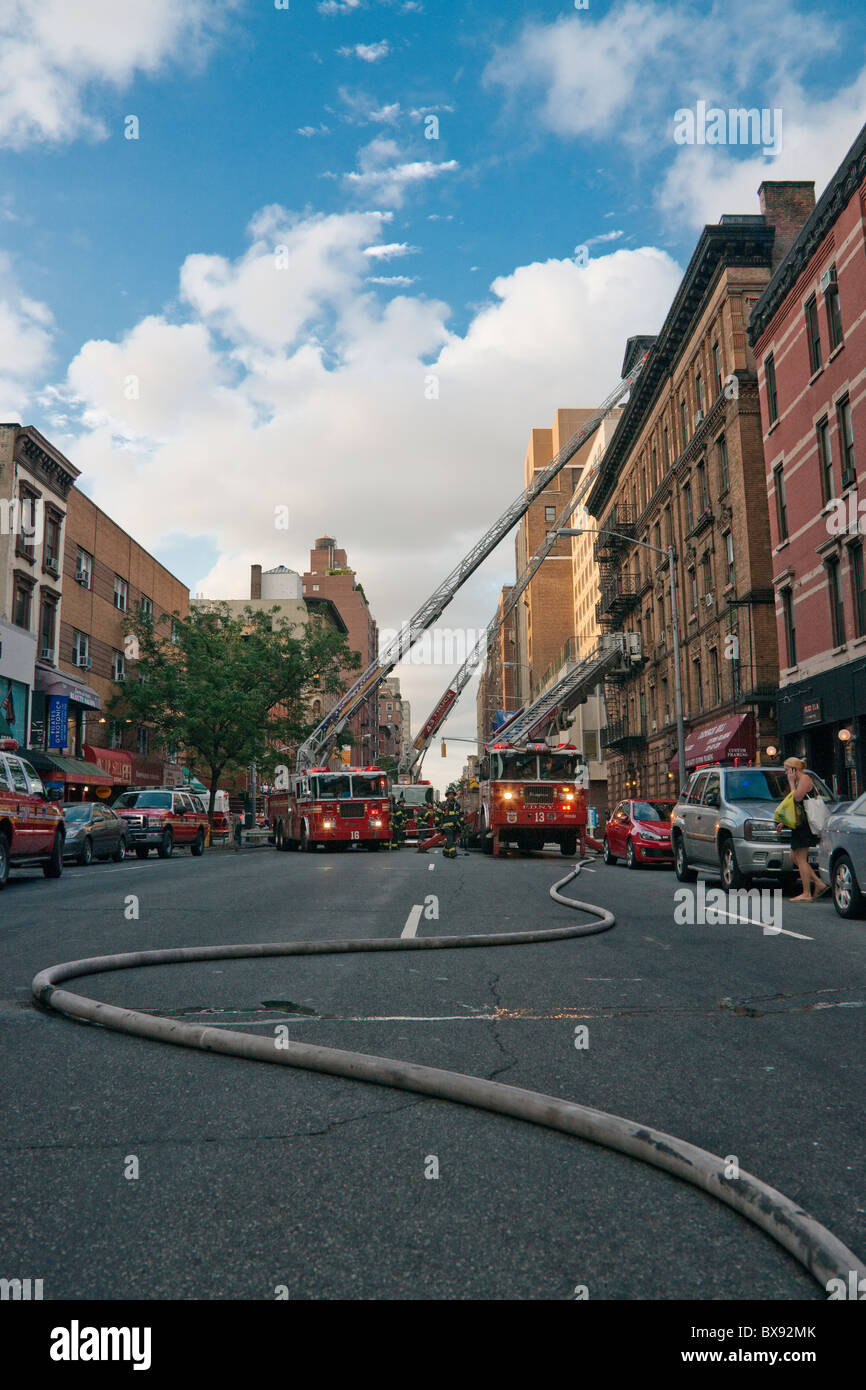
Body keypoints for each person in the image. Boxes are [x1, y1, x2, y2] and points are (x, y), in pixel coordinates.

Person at [784, 756, 828, 901]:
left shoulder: (804, 779)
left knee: (801, 858)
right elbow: (794, 806)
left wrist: (791, 783)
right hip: (800, 823)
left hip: (806, 825)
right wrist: (783, 822)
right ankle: (818, 882)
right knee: (794, 856)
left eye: (787, 770)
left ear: (793, 769)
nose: (786, 773)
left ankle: (806, 893)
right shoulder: (799, 780)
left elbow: (796, 798)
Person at [438, 788, 464, 859]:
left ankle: (446, 851)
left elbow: (460, 815)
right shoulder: (443, 804)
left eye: (452, 795)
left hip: (455, 826)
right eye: (449, 795)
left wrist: (462, 823)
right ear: (447, 796)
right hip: (445, 825)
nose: (451, 796)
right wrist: (437, 823)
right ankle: (453, 852)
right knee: (449, 838)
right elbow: (438, 813)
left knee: (452, 839)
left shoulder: (457, 805)